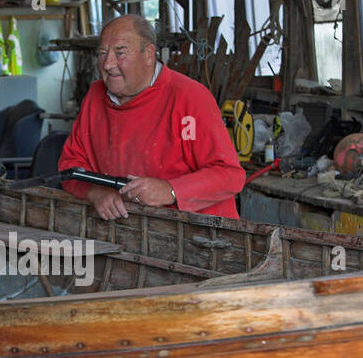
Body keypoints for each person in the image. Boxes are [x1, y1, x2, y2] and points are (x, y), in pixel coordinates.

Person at [59, 14, 246, 220]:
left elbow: (229, 175)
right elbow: (70, 165)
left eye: (120, 53)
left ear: (148, 54)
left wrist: (172, 190)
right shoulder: (95, 97)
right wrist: (94, 192)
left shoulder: (189, 98)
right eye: (102, 53)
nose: (107, 64)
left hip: (201, 237)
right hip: (131, 232)